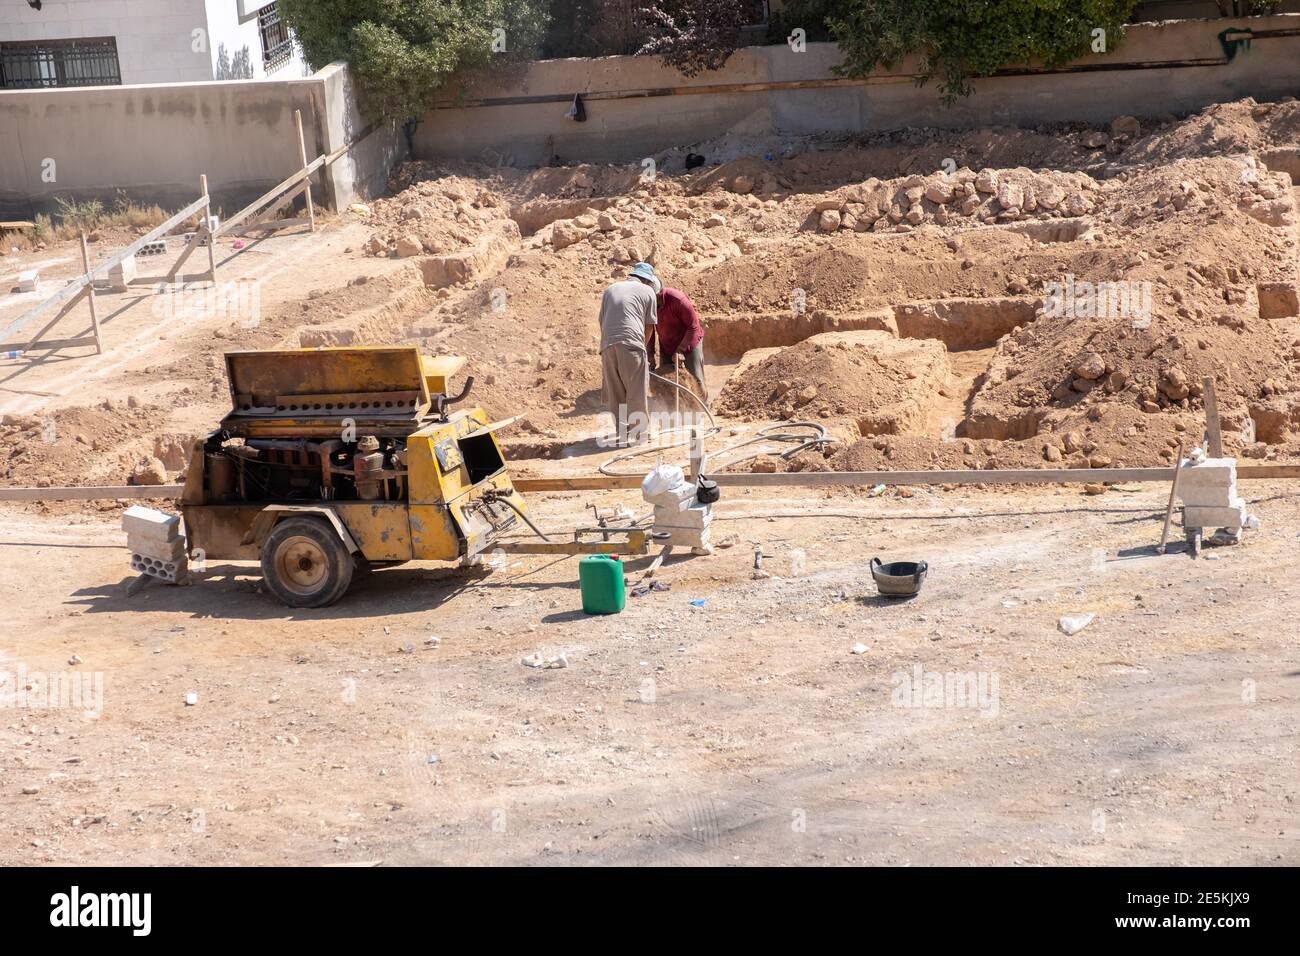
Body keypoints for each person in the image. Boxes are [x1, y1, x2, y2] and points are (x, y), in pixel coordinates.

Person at [597, 261, 658, 446]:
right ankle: (640, 434)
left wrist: (611, 343)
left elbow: (602, 320)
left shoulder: (610, 289)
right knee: (636, 390)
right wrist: (641, 348)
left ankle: (622, 433)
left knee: (616, 392)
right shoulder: (648, 292)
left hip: (607, 345)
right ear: (647, 281)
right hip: (631, 343)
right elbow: (649, 326)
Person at [653, 283, 706, 394]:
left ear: (659, 293)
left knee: (696, 378)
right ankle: (670, 407)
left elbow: (693, 327)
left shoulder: (678, 300)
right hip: (667, 344)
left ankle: (701, 407)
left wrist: (680, 349)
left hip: (689, 341)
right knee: (664, 380)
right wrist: (649, 354)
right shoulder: (647, 304)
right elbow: (649, 330)